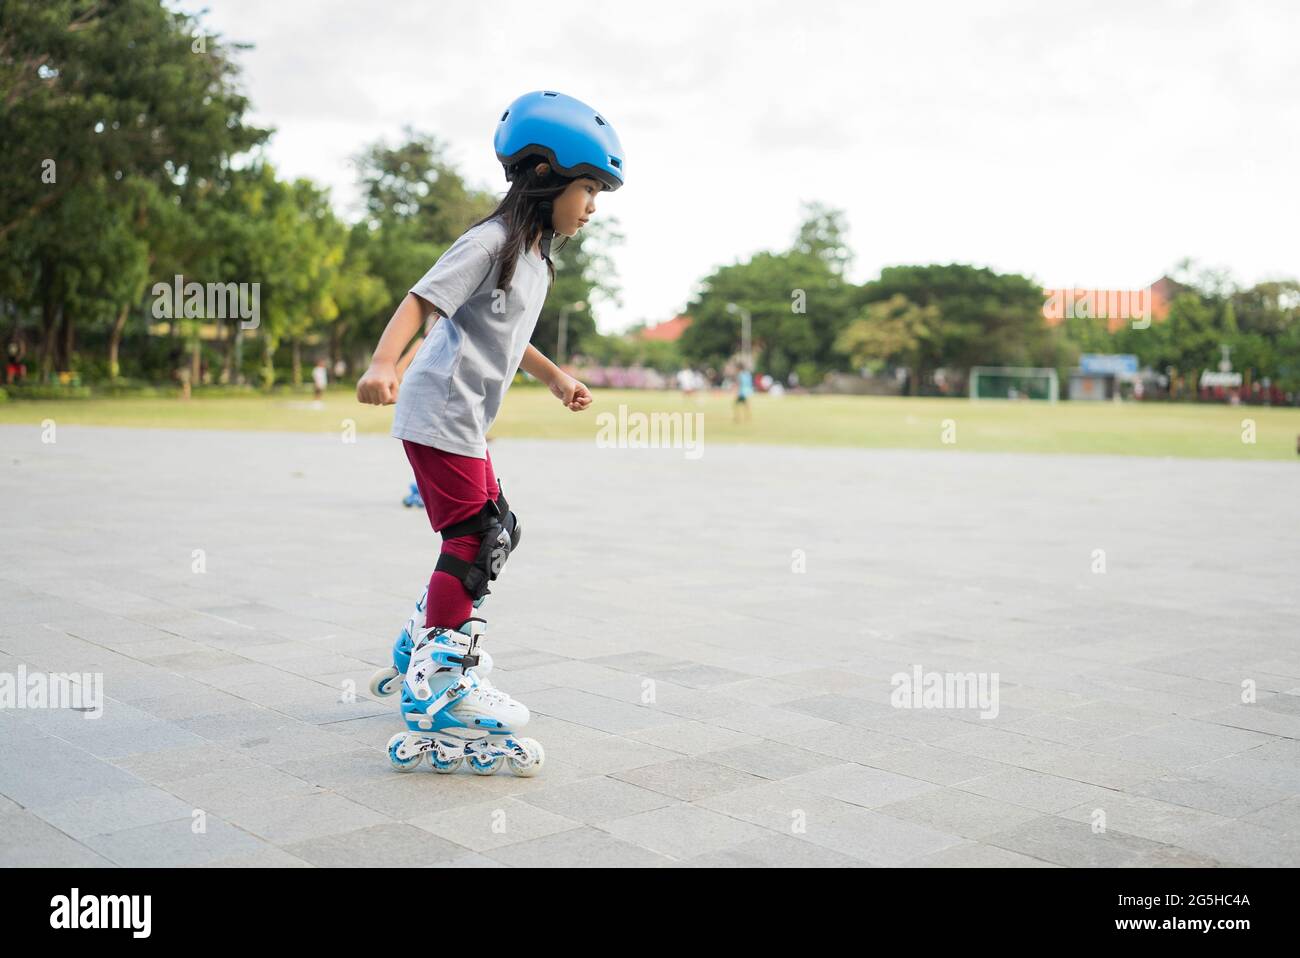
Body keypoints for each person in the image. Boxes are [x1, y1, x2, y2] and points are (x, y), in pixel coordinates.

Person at [355, 90, 623, 776]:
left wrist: (558, 378)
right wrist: (384, 362)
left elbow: (511, 337)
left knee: (499, 528)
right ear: (544, 177)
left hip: (463, 419)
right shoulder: (491, 242)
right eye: (587, 189)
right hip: (438, 410)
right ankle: (439, 684)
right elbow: (422, 298)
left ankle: (425, 635)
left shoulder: (535, 258)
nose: (592, 205)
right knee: (472, 541)